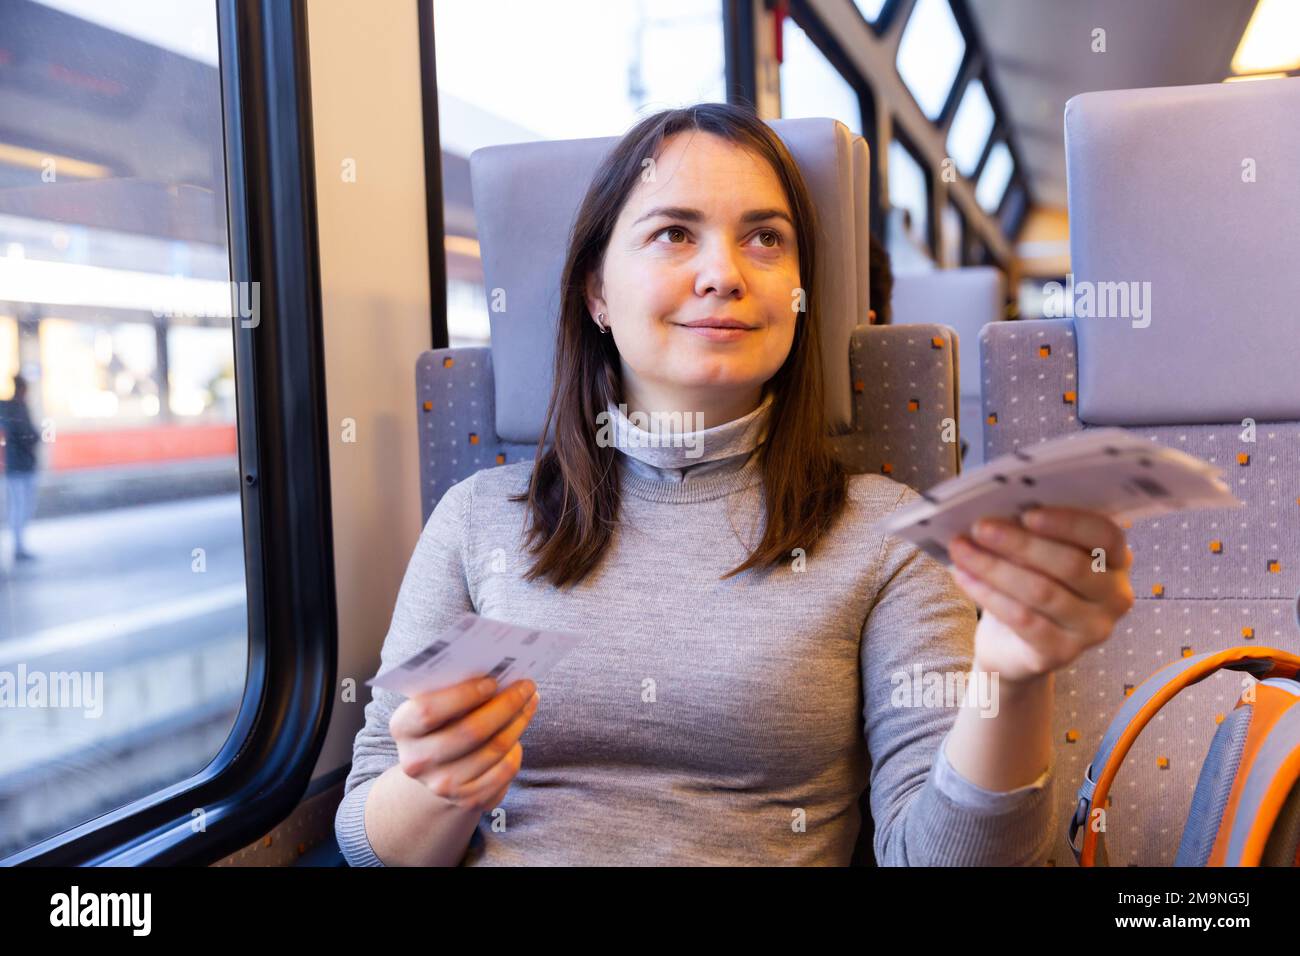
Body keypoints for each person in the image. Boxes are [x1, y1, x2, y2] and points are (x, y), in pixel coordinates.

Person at [336, 103, 1134, 866]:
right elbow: (370, 837)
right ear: (598, 293)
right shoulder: (479, 518)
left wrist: (1011, 679)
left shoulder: (886, 536)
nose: (723, 273)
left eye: (764, 239)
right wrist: (439, 786)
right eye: (674, 233)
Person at [0, 375, 40, 562]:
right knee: (20, 508)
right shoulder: (15, 409)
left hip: (18, 466)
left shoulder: (10, 408)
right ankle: (19, 547)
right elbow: (27, 434)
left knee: (21, 507)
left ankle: (20, 546)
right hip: (19, 466)